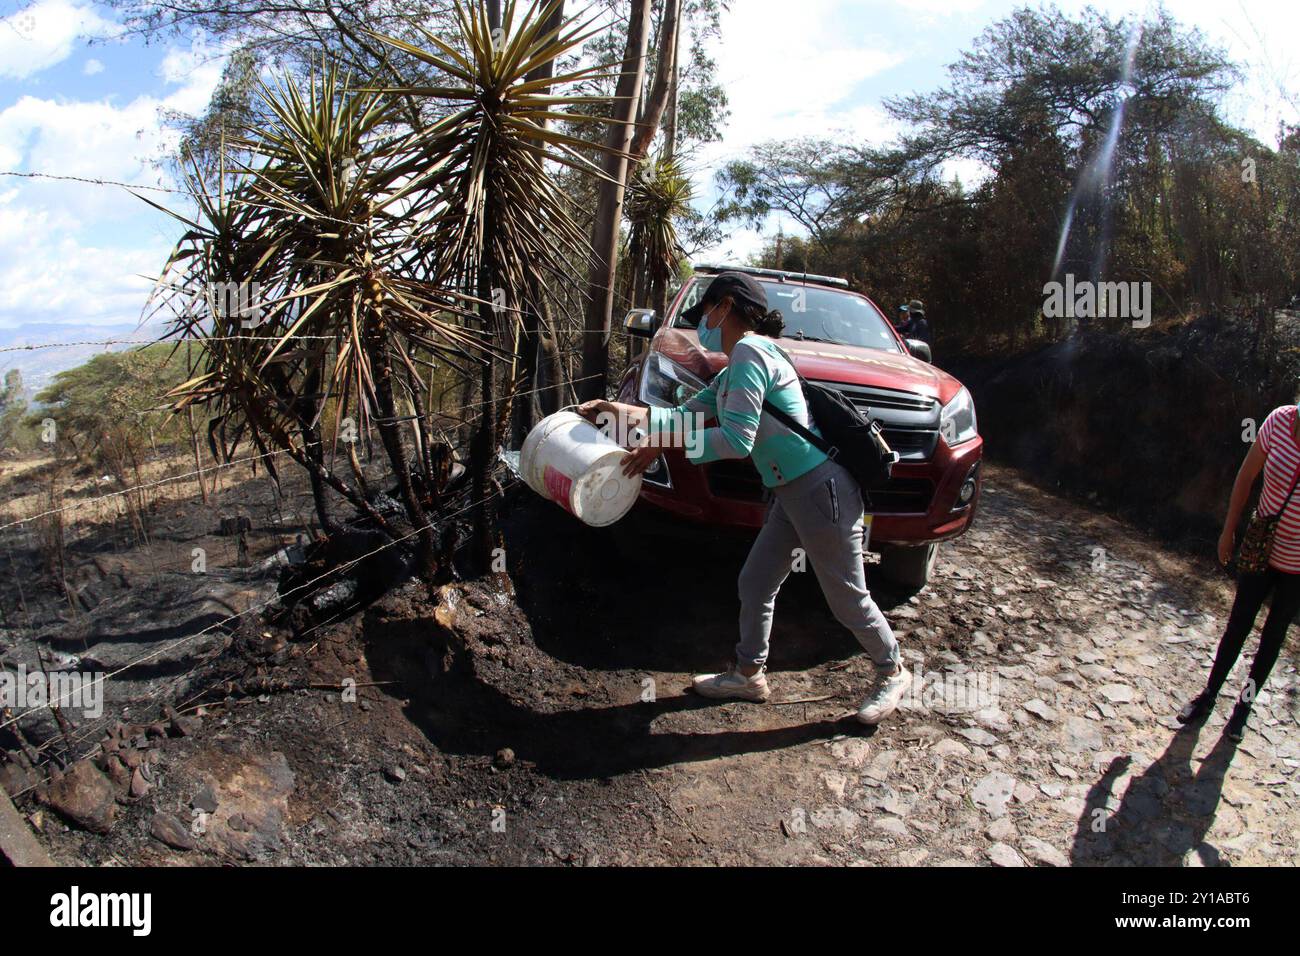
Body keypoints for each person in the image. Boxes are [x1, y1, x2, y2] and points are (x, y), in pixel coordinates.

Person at [578, 271, 912, 725]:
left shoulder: (752, 351)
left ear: (727, 306)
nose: (702, 326)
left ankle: (892, 671)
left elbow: (737, 440)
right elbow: (681, 414)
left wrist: (670, 442)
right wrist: (611, 409)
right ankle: (749, 674)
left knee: (847, 597)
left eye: (706, 313)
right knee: (755, 583)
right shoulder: (737, 365)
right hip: (790, 492)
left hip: (820, 490)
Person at [1176, 401, 1300, 741]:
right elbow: (1246, 477)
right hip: (1261, 547)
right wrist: (1228, 529)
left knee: (1273, 637)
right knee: (1238, 625)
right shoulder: (1279, 420)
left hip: (1297, 566)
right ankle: (1209, 695)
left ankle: (1243, 709)